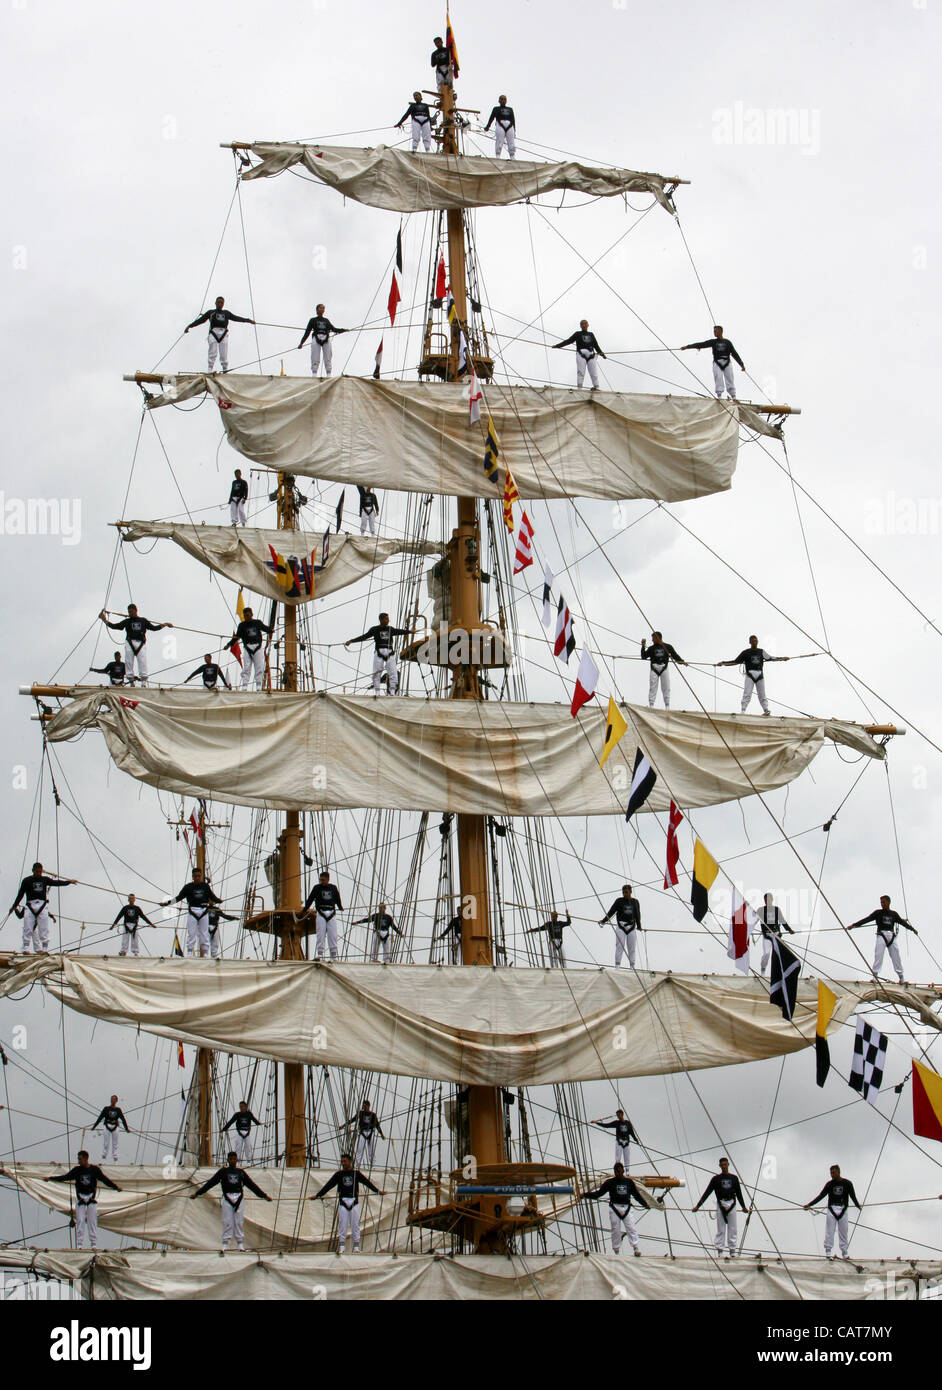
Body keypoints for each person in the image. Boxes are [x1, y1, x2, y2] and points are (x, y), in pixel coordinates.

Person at [190, 1151, 271, 1252]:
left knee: (239, 1221)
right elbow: (210, 1183)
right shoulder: (223, 1172)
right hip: (227, 1197)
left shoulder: (241, 1173)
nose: (233, 1161)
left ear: (237, 1160)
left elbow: (252, 1186)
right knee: (227, 1221)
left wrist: (264, 1196)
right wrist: (197, 1193)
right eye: (231, 1159)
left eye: (234, 1159)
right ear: (228, 1160)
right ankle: (225, 1243)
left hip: (239, 1198)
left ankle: (240, 1243)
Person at [310, 1153, 385, 1254]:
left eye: (345, 1161)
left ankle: (356, 1247)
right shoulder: (339, 1175)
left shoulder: (356, 1174)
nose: (343, 1163)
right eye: (342, 1162)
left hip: (354, 1201)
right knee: (343, 1225)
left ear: (350, 1162)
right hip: (343, 1202)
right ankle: (342, 1247)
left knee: (355, 1225)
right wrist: (318, 1195)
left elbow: (367, 1183)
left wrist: (378, 1191)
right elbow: (328, 1185)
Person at [46, 1151, 121, 1251]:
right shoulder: (77, 1170)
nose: (78, 1161)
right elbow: (65, 1177)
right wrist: (51, 1178)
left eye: (80, 1159)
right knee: (80, 1221)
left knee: (92, 1221)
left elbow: (104, 1179)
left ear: (86, 1159)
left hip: (91, 1198)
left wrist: (115, 1187)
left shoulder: (94, 1170)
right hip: (80, 1198)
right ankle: (79, 1244)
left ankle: (93, 1244)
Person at [848, 895, 917, 984]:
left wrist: (912, 929)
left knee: (896, 957)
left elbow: (903, 923)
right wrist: (853, 925)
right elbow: (866, 920)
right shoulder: (878, 913)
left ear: (888, 902)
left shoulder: (894, 914)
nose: (882, 904)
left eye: (883, 902)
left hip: (891, 936)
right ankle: (875, 977)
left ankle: (901, 978)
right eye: (881, 902)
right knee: (878, 955)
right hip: (881, 935)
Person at [99, 603, 173, 686]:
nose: (130, 614)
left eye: (131, 612)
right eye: (129, 612)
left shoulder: (143, 621)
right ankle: (131, 681)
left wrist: (166, 624)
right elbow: (115, 626)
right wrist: (104, 620)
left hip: (140, 644)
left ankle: (144, 682)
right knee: (129, 661)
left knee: (142, 661)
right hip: (130, 642)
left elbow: (154, 628)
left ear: (136, 610)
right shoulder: (127, 621)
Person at [580, 1162, 645, 1256]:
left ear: (622, 1170)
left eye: (619, 1171)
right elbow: (598, 1194)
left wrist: (645, 1204)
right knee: (615, 1229)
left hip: (627, 1207)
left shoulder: (629, 1182)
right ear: (614, 1172)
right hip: (615, 1208)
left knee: (631, 1227)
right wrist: (585, 1195)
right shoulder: (610, 1182)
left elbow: (637, 1195)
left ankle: (636, 1248)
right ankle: (616, 1251)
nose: (618, 1173)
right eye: (616, 1172)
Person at [10, 862, 76, 954]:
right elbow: (20, 894)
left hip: (42, 905)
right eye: (37, 872)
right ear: (33, 870)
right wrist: (14, 906)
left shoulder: (44, 879)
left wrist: (69, 882)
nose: (38, 874)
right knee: (27, 928)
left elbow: (56, 883)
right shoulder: (27, 881)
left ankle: (44, 949)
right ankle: (25, 948)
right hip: (30, 905)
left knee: (43, 928)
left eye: (40, 872)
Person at [692, 1157, 751, 1259]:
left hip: (732, 1203)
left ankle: (732, 1250)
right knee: (721, 1228)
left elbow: (739, 1193)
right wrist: (698, 1206)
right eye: (722, 1165)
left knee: (733, 1228)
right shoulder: (715, 1179)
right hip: (721, 1204)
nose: (724, 1167)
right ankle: (720, 1251)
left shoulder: (734, 1178)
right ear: (720, 1166)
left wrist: (744, 1207)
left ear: (728, 1165)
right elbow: (707, 1193)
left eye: (725, 1165)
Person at [715, 635, 788, 716]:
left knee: (762, 694)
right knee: (747, 693)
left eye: (756, 641)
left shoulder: (761, 652)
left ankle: (766, 710)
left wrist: (782, 658)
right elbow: (735, 662)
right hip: (750, 675)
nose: (754, 642)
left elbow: (771, 658)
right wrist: (723, 663)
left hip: (760, 675)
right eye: (753, 641)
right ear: (750, 642)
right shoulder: (745, 652)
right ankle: (743, 711)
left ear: (757, 642)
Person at [160, 867, 223, 958]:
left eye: (199, 876)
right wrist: (166, 903)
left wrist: (219, 901)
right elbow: (178, 898)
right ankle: (189, 951)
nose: (197, 878)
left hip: (204, 911)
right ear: (192, 877)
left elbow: (212, 897)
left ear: (201, 876)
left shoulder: (205, 886)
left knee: (204, 933)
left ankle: (205, 952)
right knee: (191, 932)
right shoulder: (188, 887)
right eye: (195, 876)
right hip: (193, 911)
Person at [184, 296, 255, 374]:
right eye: (218, 302)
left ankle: (225, 369)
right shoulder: (211, 312)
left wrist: (249, 320)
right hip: (213, 333)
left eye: (222, 302)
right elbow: (200, 320)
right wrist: (190, 326)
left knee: (223, 353)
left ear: (223, 304)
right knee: (212, 352)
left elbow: (237, 318)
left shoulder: (226, 313)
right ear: (215, 303)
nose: (220, 304)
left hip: (223, 333)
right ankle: (209, 369)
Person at [804, 1164, 861, 1260]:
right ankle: (828, 1252)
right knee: (829, 1231)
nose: (832, 1174)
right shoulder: (829, 1184)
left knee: (843, 1232)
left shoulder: (847, 1183)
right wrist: (810, 1205)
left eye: (833, 1172)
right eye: (830, 1173)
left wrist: (858, 1206)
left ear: (838, 1172)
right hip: (832, 1209)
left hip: (843, 1209)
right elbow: (821, 1196)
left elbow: (852, 1196)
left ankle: (845, 1253)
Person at [345, 612, 409, 696]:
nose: (388, 620)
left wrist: (410, 631)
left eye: (388, 618)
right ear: (381, 620)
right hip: (379, 652)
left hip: (390, 652)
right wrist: (351, 641)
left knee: (393, 673)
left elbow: (400, 631)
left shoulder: (390, 629)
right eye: (386, 619)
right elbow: (364, 636)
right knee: (376, 673)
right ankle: (377, 692)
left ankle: (392, 692)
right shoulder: (374, 629)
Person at [681, 325, 745, 400]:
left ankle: (733, 396)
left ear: (720, 331)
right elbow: (702, 344)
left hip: (727, 362)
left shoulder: (727, 342)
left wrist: (741, 364)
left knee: (730, 378)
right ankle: (719, 395)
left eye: (715, 331)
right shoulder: (713, 342)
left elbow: (734, 353)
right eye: (714, 331)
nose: (714, 332)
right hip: (717, 363)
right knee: (718, 377)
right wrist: (687, 347)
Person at [225, 607, 274, 691]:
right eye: (245, 615)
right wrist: (229, 645)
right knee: (247, 667)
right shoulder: (242, 625)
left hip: (257, 647)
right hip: (247, 647)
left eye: (248, 615)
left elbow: (265, 628)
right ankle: (244, 685)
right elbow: (237, 637)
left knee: (259, 666)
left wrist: (270, 630)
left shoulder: (257, 623)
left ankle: (258, 685)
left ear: (251, 614)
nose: (246, 617)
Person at [301, 871, 344, 962]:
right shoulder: (317, 888)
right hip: (321, 912)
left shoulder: (333, 888)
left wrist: (340, 907)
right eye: (320, 880)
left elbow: (337, 898)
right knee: (320, 934)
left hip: (331, 913)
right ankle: (320, 954)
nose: (322, 881)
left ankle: (333, 956)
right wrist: (305, 909)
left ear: (328, 879)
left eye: (323, 880)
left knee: (333, 935)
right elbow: (310, 899)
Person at [552, 320, 606, 389]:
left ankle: (597, 387)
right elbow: (568, 341)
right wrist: (557, 346)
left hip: (591, 355)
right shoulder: (577, 334)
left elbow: (596, 346)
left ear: (588, 325)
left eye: (585, 324)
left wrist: (602, 354)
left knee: (594, 373)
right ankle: (580, 388)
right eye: (582, 324)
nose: (584, 325)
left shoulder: (591, 334)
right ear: (580, 326)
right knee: (581, 372)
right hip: (581, 354)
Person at [640, 631, 686, 709]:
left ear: (657, 638)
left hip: (664, 668)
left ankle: (667, 705)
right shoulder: (651, 648)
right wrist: (643, 646)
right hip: (654, 668)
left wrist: (682, 662)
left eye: (653, 638)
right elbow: (644, 656)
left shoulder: (667, 647)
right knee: (653, 686)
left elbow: (675, 656)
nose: (652, 640)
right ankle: (651, 705)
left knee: (666, 686)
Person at [298, 305, 347, 378]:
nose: (322, 309)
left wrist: (343, 330)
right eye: (321, 308)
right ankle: (314, 373)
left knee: (328, 355)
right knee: (315, 355)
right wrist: (301, 343)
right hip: (316, 337)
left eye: (323, 308)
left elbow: (334, 329)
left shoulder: (326, 320)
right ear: (317, 310)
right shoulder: (313, 320)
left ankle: (328, 373)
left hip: (326, 337)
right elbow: (307, 332)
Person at [599, 886, 642, 967]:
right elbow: (611, 911)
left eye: (626, 892)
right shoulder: (619, 901)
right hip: (621, 926)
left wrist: (639, 926)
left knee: (632, 948)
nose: (624, 894)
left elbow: (638, 914)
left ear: (630, 892)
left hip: (632, 927)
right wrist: (604, 921)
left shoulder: (635, 902)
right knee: (619, 946)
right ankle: (617, 965)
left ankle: (632, 966)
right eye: (623, 892)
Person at [756, 893, 795, 975]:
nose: (767, 901)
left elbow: (782, 920)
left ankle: (781, 972)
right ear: (764, 900)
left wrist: (789, 930)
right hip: (767, 935)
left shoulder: (776, 909)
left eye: (769, 899)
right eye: (766, 899)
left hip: (776, 935)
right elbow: (753, 918)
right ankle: (763, 969)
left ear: (772, 900)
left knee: (780, 954)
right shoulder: (760, 910)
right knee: (766, 953)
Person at [347, 1100, 386, 1167]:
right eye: (363, 1106)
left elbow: (377, 1125)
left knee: (371, 1150)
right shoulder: (360, 1113)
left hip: (370, 1132)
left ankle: (373, 1165)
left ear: (368, 1106)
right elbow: (352, 1120)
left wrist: (381, 1134)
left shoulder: (373, 1115)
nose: (364, 1107)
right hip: (362, 1132)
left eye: (365, 1106)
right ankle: (358, 1165)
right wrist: (344, 1125)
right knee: (359, 1149)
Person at [92, 1095, 130, 1162]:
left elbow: (123, 1119)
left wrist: (126, 1128)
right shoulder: (106, 1109)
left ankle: (115, 1155)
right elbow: (100, 1118)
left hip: (115, 1127)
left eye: (114, 1099)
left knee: (115, 1143)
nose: (113, 1101)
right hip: (107, 1126)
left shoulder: (118, 1110)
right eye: (112, 1099)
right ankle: (104, 1154)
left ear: (116, 1101)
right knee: (106, 1142)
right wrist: (94, 1126)